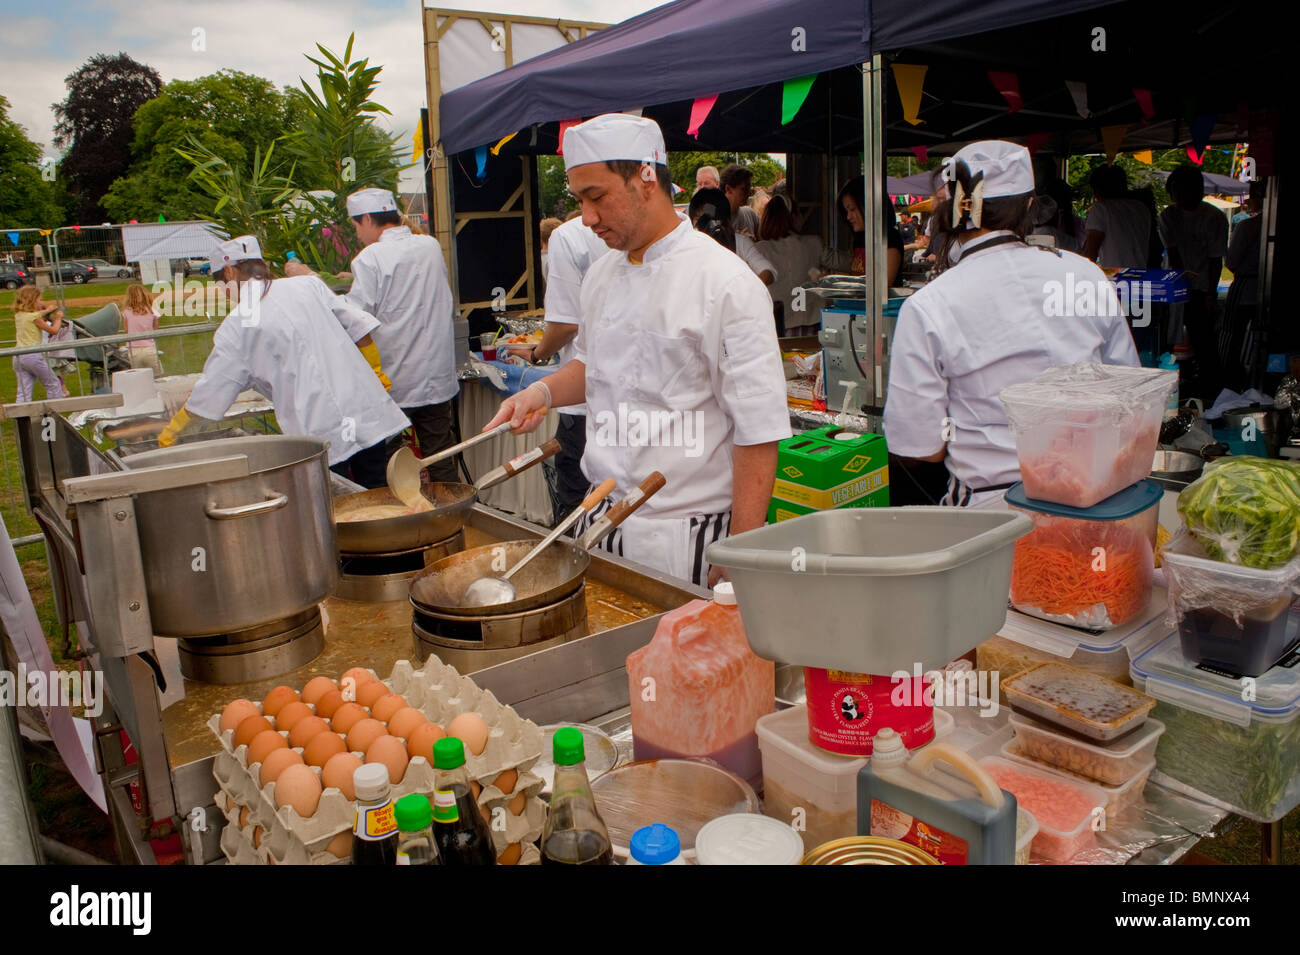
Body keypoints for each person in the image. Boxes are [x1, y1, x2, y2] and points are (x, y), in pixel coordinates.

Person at [483, 113, 790, 586]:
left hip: (689, 534)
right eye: (579, 200)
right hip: (600, 516)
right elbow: (593, 365)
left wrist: (740, 548)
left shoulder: (725, 283)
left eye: (596, 197)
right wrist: (540, 394)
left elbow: (758, 429)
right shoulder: (603, 275)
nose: (587, 218)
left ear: (646, 179)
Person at [883, 141, 1140, 507]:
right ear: (1031, 207)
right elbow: (1127, 395)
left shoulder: (929, 304)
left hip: (992, 514)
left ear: (957, 207)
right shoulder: (1084, 274)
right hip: (1091, 500)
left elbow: (918, 446)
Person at [158, 235, 409, 487]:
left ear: (228, 271)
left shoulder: (236, 325)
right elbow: (359, 327)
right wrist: (375, 370)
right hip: (364, 409)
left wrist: (174, 429)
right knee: (378, 496)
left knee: (338, 507)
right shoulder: (308, 286)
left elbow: (211, 390)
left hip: (319, 428)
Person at [290, 187, 461, 483]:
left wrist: (311, 280)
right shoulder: (429, 245)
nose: (357, 234)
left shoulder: (370, 258)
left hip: (395, 379)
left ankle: (401, 519)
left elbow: (353, 318)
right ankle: (455, 513)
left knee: (394, 461)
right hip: (435, 373)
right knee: (440, 452)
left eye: (356, 225)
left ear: (368, 219)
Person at [504, 215, 611, 524]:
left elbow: (565, 325)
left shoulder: (568, 238)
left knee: (576, 503)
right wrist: (540, 392)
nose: (591, 216)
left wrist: (538, 354)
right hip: (601, 402)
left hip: (585, 409)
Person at [1160, 165, 1229, 400]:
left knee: (1203, 342)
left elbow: (1214, 259)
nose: (1178, 196)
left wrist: (1210, 294)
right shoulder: (1169, 215)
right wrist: (1178, 283)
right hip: (1174, 286)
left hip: (1201, 289)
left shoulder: (1213, 217)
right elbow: (1173, 252)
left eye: (1183, 189)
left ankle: (1212, 390)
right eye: (1175, 190)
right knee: (1168, 339)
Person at [755, 195, 827, 336]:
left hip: (774, 326)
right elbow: (844, 261)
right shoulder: (814, 243)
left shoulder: (758, 250)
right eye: (799, 213)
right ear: (792, 217)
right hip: (811, 324)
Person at [1220, 181, 1265, 391]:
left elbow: (1231, 261)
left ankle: (1232, 380)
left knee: (1232, 335)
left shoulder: (1248, 226)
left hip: (1245, 286)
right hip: (1260, 288)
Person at [689, 187, 777, 289]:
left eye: (711, 219)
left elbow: (768, 271)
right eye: (698, 219)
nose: (704, 224)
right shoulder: (689, 248)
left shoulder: (739, 242)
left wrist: (747, 291)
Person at [831, 176, 903, 284]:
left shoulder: (889, 238)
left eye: (852, 209)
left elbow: (883, 284)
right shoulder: (860, 238)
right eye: (846, 211)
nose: (848, 217)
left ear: (869, 206)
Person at [1081, 164, 1152, 268]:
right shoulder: (1141, 208)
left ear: (1097, 189)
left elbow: (1091, 252)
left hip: (1116, 277)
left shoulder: (1101, 209)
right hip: (1141, 273)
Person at [11, 286, 66, 402]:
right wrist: (58, 319)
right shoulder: (35, 318)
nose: (42, 302)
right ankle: (55, 412)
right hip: (33, 356)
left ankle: (22, 417)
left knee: (23, 391)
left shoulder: (19, 315)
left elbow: (37, 313)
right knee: (53, 384)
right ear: (32, 300)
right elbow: (53, 331)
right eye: (39, 300)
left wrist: (47, 310)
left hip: (18, 356)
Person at [120, 283, 162, 375]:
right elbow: (156, 328)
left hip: (134, 350)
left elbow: (126, 329)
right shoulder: (152, 310)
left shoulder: (126, 312)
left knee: (139, 377)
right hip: (150, 348)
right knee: (156, 378)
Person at [721, 163, 761, 238]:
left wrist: (752, 244)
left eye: (749, 189)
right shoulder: (713, 218)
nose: (748, 194)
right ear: (728, 189)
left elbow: (764, 243)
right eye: (744, 189)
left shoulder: (751, 215)